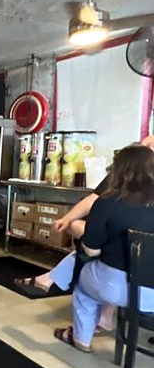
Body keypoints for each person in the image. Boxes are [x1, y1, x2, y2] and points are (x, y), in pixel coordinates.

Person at [16, 134, 154, 298]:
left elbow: (92, 248)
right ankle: (50, 280)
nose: (146, 150)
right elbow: (92, 200)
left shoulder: (111, 198)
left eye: (149, 147)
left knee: (93, 253)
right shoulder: (119, 189)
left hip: (128, 265)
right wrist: (67, 219)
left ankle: (51, 280)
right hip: (140, 269)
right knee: (100, 241)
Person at [53, 144, 154, 352]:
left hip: (116, 288)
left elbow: (91, 250)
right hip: (151, 296)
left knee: (83, 280)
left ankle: (81, 339)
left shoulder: (107, 202)